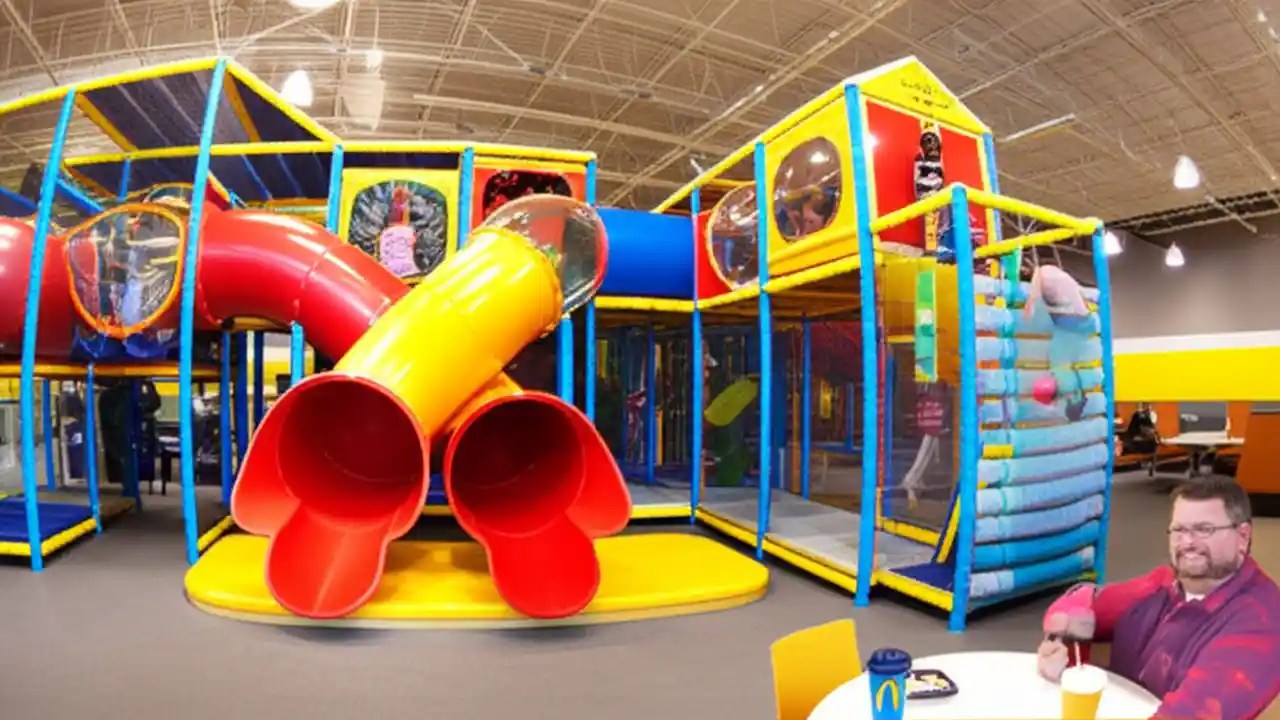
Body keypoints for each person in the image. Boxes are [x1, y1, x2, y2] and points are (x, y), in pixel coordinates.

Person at [1036, 477, 1280, 719]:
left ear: (1243, 536)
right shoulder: (1165, 582)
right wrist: (1063, 644)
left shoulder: (1262, 623)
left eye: (1204, 530)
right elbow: (1082, 603)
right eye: (1179, 530)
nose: (1187, 542)